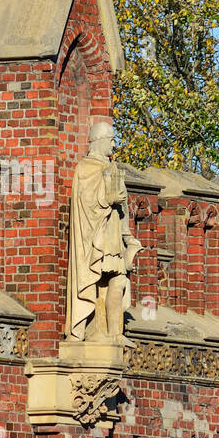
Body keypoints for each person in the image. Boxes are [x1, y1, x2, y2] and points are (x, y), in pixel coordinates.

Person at [65, 122, 142, 342]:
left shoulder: (112, 168)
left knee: (118, 280)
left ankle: (115, 334)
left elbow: (123, 209)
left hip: (113, 235)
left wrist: (128, 236)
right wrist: (108, 198)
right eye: (112, 140)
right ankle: (92, 331)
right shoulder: (86, 167)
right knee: (98, 281)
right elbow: (86, 203)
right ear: (100, 141)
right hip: (96, 237)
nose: (114, 145)